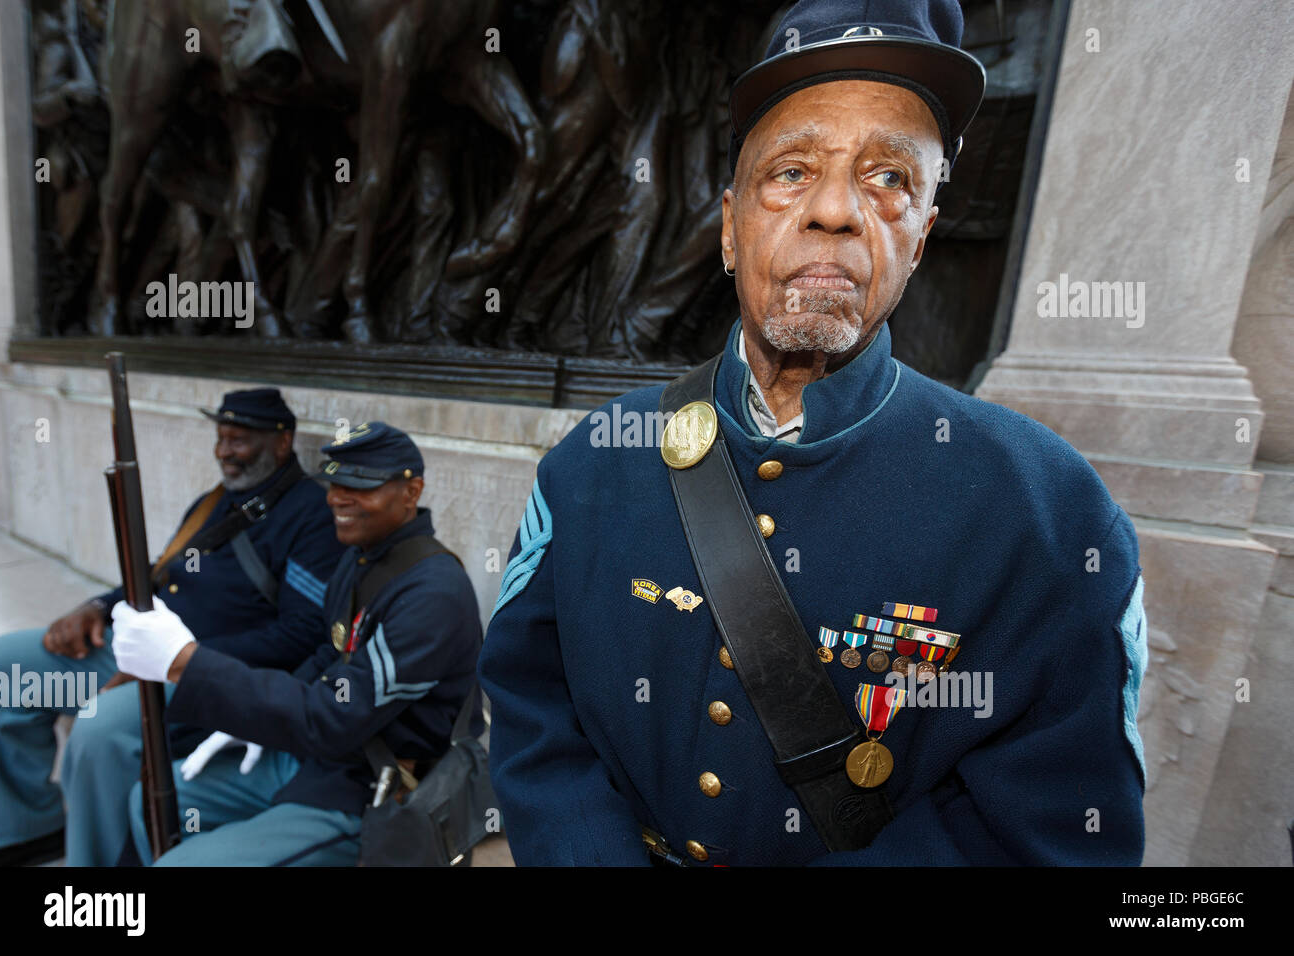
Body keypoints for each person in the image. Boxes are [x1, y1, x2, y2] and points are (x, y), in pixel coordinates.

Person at [477, 0, 1150, 866]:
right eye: (791, 172)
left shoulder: (1049, 517)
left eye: (888, 180)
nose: (834, 210)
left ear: (920, 240)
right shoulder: (588, 465)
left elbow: (1051, 833)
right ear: (729, 227)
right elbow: (534, 711)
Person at [0, 388, 344, 866]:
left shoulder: (312, 516)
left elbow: (302, 634)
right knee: (7, 668)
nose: (224, 451)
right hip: (139, 649)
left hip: (205, 671)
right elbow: (158, 576)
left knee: (98, 732)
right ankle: (26, 828)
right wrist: (96, 606)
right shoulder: (213, 502)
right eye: (221, 438)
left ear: (282, 444)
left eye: (238, 440)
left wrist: (179, 661)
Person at [112, 422, 483, 866]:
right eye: (334, 483)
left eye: (359, 487)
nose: (338, 499)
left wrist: (188, 664)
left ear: (411, 491)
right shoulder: (358, 558)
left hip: (368, 788)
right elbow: (329, 656)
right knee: (150, 802)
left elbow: (334, 715)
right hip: (316, 758)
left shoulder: (433, 594)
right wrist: (249, 721)